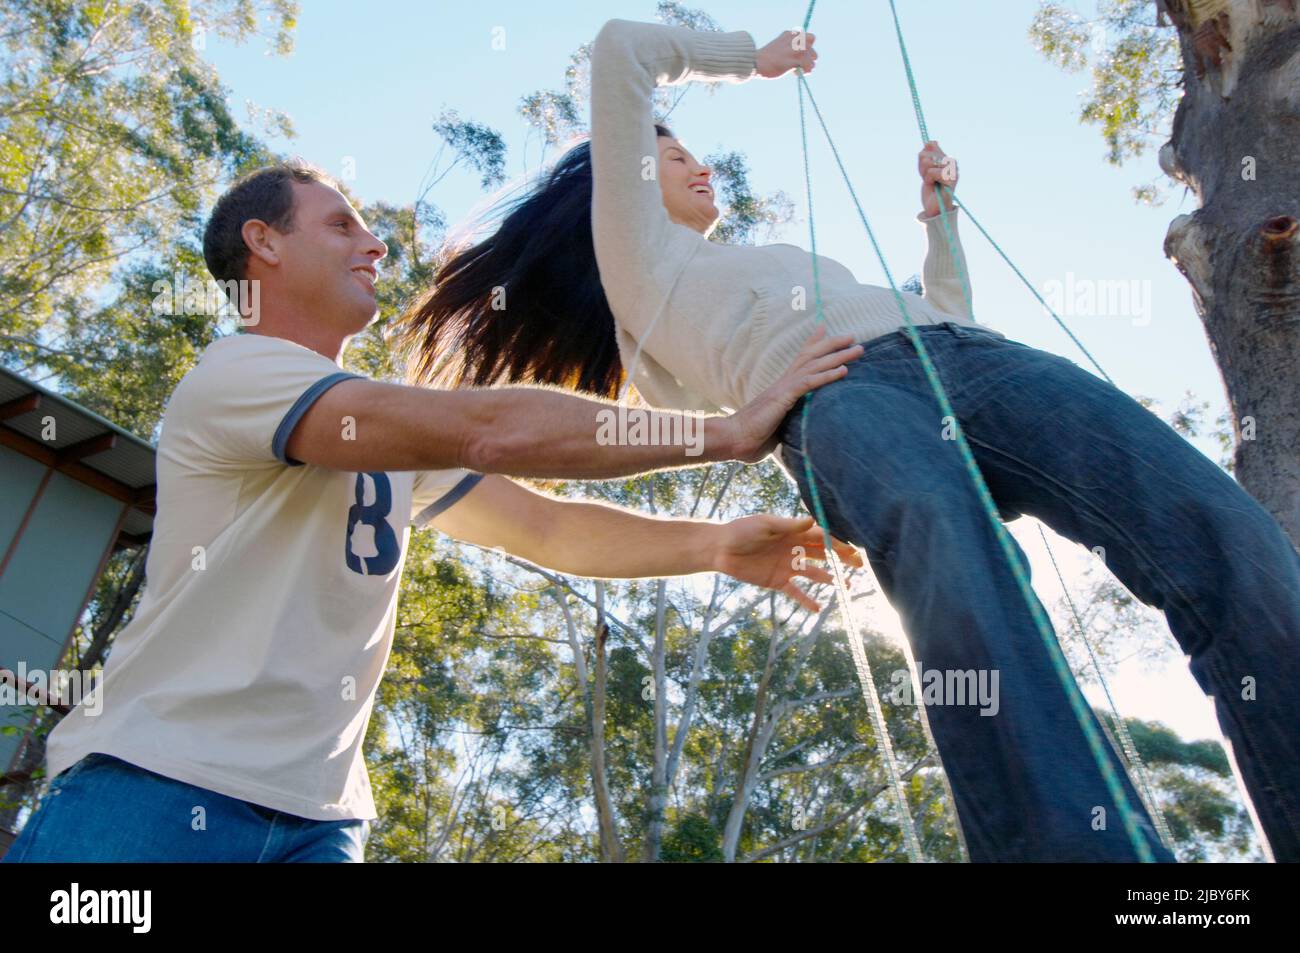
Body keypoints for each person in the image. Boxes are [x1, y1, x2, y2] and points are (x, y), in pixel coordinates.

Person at [394, 18, 1300, 862]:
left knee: (1223, 530)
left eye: (693, 150)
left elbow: (943, 312)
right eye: (670, 154)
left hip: (971, 358)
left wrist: (938, 216)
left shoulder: (766, 260)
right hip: (844, 398)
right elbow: (623, 48)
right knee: (958, 558)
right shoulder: (644, 269)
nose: (696, 165)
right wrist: (755, 57)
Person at [1, 160, 866, 863]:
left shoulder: (375, 435)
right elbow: (489, 429)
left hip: (319, 821)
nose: (374, 243)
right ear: (262, 244)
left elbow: (544, 527)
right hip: (154, 785)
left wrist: (716, 545)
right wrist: (723, 431)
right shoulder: (237, 377)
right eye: (341, 224)